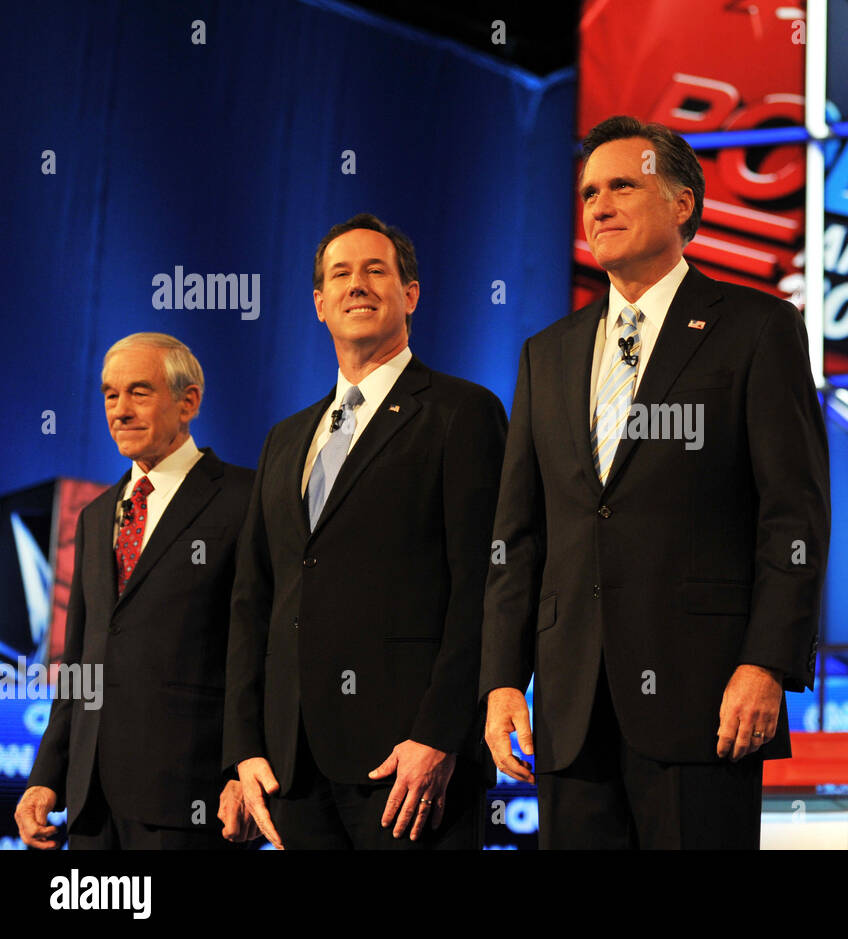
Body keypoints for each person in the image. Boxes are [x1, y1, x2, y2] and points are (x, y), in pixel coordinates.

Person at [481, 116, 830, 849]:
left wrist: (767, 661)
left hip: (704, 701)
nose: (599, 206)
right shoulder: (547, 354)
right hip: (572, 713)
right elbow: (519, 535)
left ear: (682, 203)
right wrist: (503, 681)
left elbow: (793, 517)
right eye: (589, 193)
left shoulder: (757, 329)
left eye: (621, 187)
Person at [224, 214, 506, 849]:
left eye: (376, 270)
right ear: (319, 304)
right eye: (340, 274)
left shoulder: (463, 413)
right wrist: (243, 751)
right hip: (289, 769)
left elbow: (483, 589)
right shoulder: (285, 438)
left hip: (406, 767)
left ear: (410, 294)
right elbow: (253, 603)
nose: (358, 285)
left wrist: (440, 733)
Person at [18, 333, 256, 849]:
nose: (120, 411)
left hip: (191, 798)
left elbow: (262, 649)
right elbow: (80, 661)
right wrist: (46, 775)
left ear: (188, 401)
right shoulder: (96, 514)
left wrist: (247, 767)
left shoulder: (246, 499)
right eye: (110, 394)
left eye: (139, 392)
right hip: (90, 804)